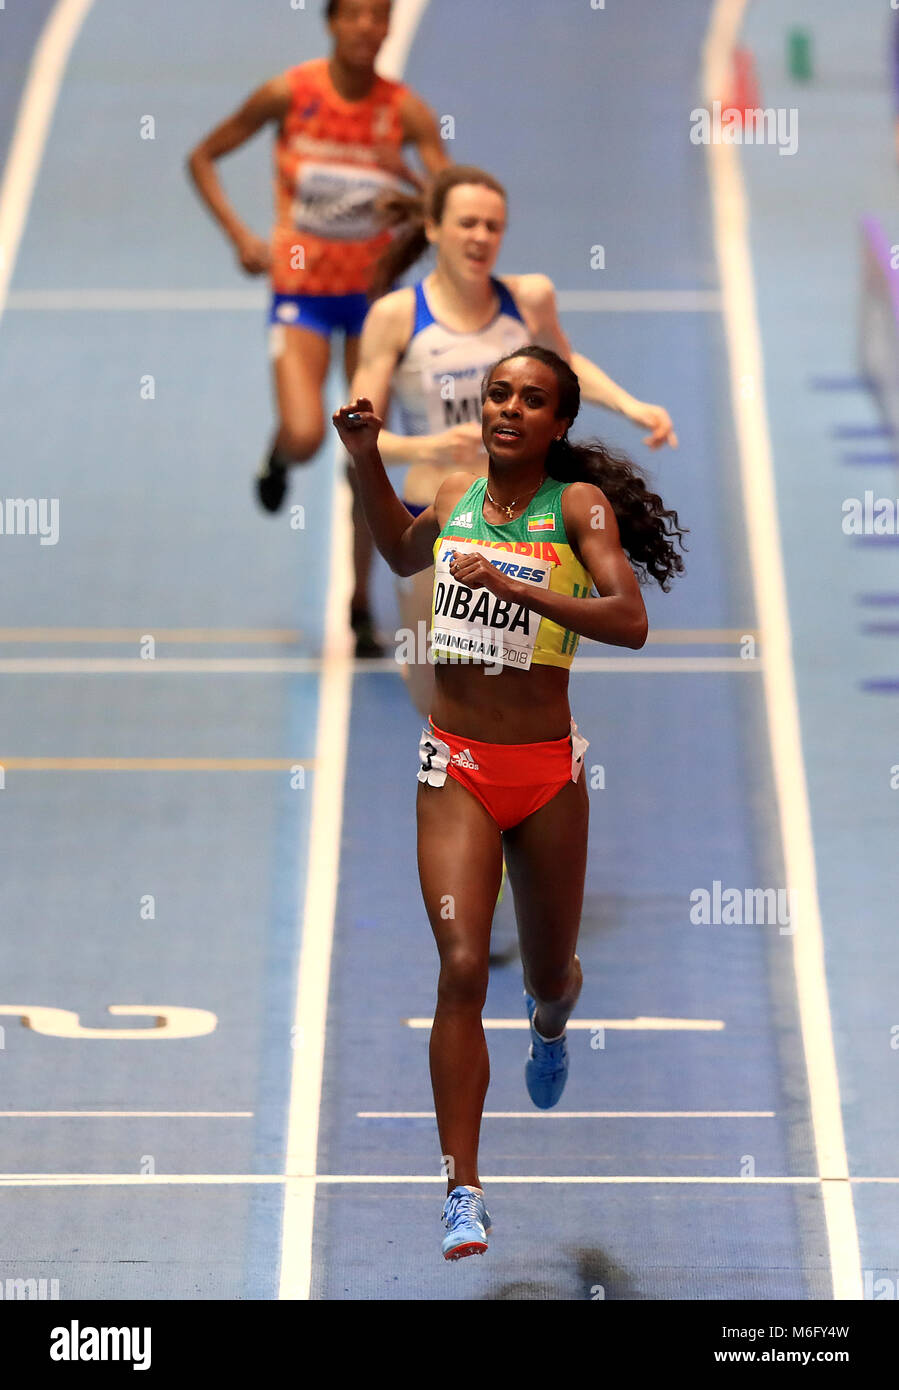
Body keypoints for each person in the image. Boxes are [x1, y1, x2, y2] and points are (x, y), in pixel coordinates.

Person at [332, 345, 687, 1260]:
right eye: (499, 394)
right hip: (456, 767)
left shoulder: (577, 508)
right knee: (458, 966)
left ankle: (551, 1022)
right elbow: (397, 547)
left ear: (558, 424)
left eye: (532, 400)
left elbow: (631, 621)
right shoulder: (450, 493)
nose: (510, 409)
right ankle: (462, 1190)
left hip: (546, 777)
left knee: (546, 974)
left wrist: (519, 583)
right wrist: (368, 460)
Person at [349, 165, 677, 699]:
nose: (481, 237)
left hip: (520, 520)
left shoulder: (528, 298)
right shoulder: (396, 316)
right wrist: (430, 445)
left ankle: (512, 767)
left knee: (515, 678)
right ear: (434, 229)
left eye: (493, 226)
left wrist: (630, 405)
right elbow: (368, 431)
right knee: (433, 689)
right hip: (434, 510)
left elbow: (566, 370)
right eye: (468, 223)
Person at [186, 0, 448, 655]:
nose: (368, 28)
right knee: (307, 436)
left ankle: (360, 605)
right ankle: (280, 455)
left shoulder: (403, 111)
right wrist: (241, 237)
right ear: (330, 22)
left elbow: (449, 204)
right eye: (354, 15)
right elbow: (202, 157)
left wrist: (405, 178)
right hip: (301, 294)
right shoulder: (288, 94)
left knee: (367, 461)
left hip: (371, 306)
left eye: (379, 16)